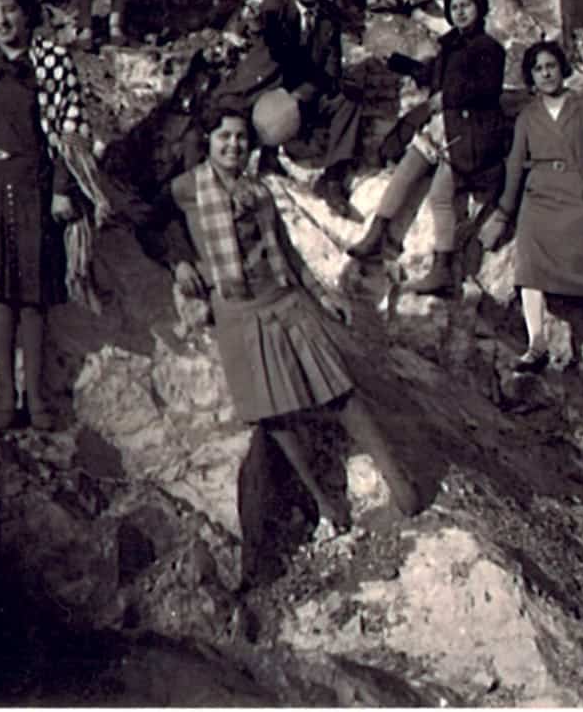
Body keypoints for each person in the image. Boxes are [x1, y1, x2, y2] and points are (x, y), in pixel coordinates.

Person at [164, 102, 423, 544]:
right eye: (223, 136)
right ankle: (325, 503)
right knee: (274, 413)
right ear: (207, 141)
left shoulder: (260, 192)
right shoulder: (185, 189)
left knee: (337, 389)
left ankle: (399, 481)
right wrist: (180, 261)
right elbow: (152, 223)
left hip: (282, 299)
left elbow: (287, 252)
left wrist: (323, 295)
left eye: (241, 137)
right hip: (236, 311)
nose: (233, 144)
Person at [0, 0, 112, 430]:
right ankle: (6, 394)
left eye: (10, 10)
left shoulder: (53, 60)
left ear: (27, 13)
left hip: (33, 186)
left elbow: (71, 128)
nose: (2, 20)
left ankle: (36, 396)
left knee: (31, 298)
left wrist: (62, 188)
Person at [478, 41, 583, 386]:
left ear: (562, 68)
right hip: (538, 198)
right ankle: (536, 342)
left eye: (551, 66)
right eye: (538, 69)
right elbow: (515, 164)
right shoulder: (528, 116)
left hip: (577, 193)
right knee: (529, 268)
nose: (546, 74)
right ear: (531, 77)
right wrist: (503, 211)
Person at [348, 0, 509, 295]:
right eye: (455, 7)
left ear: (480, 8)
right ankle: (375, 236)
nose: (460, 12)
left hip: (466, 133)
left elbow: (487, 90)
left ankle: (442, 269)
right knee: (405, 174)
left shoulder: (489, 48)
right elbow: (430, 76)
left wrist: (448, 97)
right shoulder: (450, 44)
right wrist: (397, 62)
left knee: (441, 196)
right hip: (439, 125)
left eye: (466, 6)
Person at [212, 0, 363, 221]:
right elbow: (262, 25)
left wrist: (304, 94)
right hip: (261, 89)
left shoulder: (329, 16)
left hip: (300, 94)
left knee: (347, 101)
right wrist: (254, 22)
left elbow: (331, 69)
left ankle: (333, 179)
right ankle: (251, 170)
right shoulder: (276, 6)